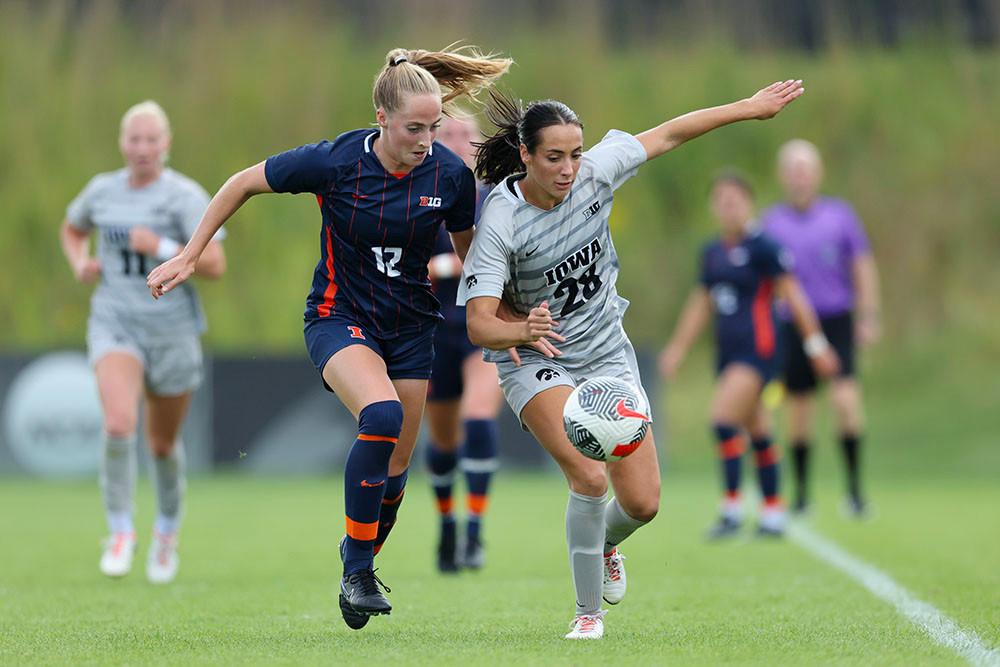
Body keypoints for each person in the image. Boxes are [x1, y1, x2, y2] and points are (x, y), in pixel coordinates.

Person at [146, 47, 510, 629]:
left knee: (394, 476)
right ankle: (359, 571)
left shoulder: (450, 175)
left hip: (414, 329)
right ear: (382, 118)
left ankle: (356, 557)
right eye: (414, 127)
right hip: (340, 318)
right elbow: (241, 183)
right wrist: (191, 254)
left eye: (435, 126)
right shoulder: (336, 162)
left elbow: (472, 259)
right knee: (382, 416)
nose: (426, 139)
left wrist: (508, 312)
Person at [460, 79, 806, 639]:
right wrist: (522, 328)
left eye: (575, 153)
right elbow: (478, 322)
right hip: (533, 357)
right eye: (553, 158)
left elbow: (670, 133)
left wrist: (748, 108)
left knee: (642, 503)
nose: (569, 168)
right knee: (590, 476)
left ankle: (604, 545)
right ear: (525, 155)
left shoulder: (596, 172)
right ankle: (586, 614)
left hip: (606, 356)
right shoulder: (502, 216)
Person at [59, 100, 227, 584]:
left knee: (161, 443)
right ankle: (118, 531)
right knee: (117, 424)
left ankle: (167, 533)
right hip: (116, 322)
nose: (142, 148)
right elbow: (73, 229)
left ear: (166, 144)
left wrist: (160, 247)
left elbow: (214, 264)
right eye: (134, 139)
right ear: (122, 144)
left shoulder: (184, 197)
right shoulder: (102, 191)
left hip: (172, 331)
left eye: (151, 139)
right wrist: (80, 261)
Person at [657, 171, 838, 540]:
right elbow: (701, 304)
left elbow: (794, 296)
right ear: (713, 207)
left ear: (749, 203)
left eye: (735, 200)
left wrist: (816, 344)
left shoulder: (765, 248)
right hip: (729, 352)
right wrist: (677, 348)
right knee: (757, 430)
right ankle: (773, 512)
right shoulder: (711, 253)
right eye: (722, 201)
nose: (729, 207)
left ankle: (731, 510)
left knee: (723, 420)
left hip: (761, 350)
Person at [760, 139, 881, 517]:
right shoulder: (771, 223)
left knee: (846, 403)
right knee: (799, 410)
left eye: (806, 169)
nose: (800, 177)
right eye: (793, 170)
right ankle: (801, 495)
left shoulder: (840, 216)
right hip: (791, 323)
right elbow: (763, 282)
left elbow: (862, 266)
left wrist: (869, 314)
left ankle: (856, 492)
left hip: (836, 319)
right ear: (783, 176)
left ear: (818, 173)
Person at [424, 116, 504, 572]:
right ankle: (447, 526)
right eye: (446, 134)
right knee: (443, 442)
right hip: (433, 331)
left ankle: (474, 533)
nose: (456, 142)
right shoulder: (418, 191)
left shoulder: (496, 199)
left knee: (477, 417)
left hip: (481, 328)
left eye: (464, 136)